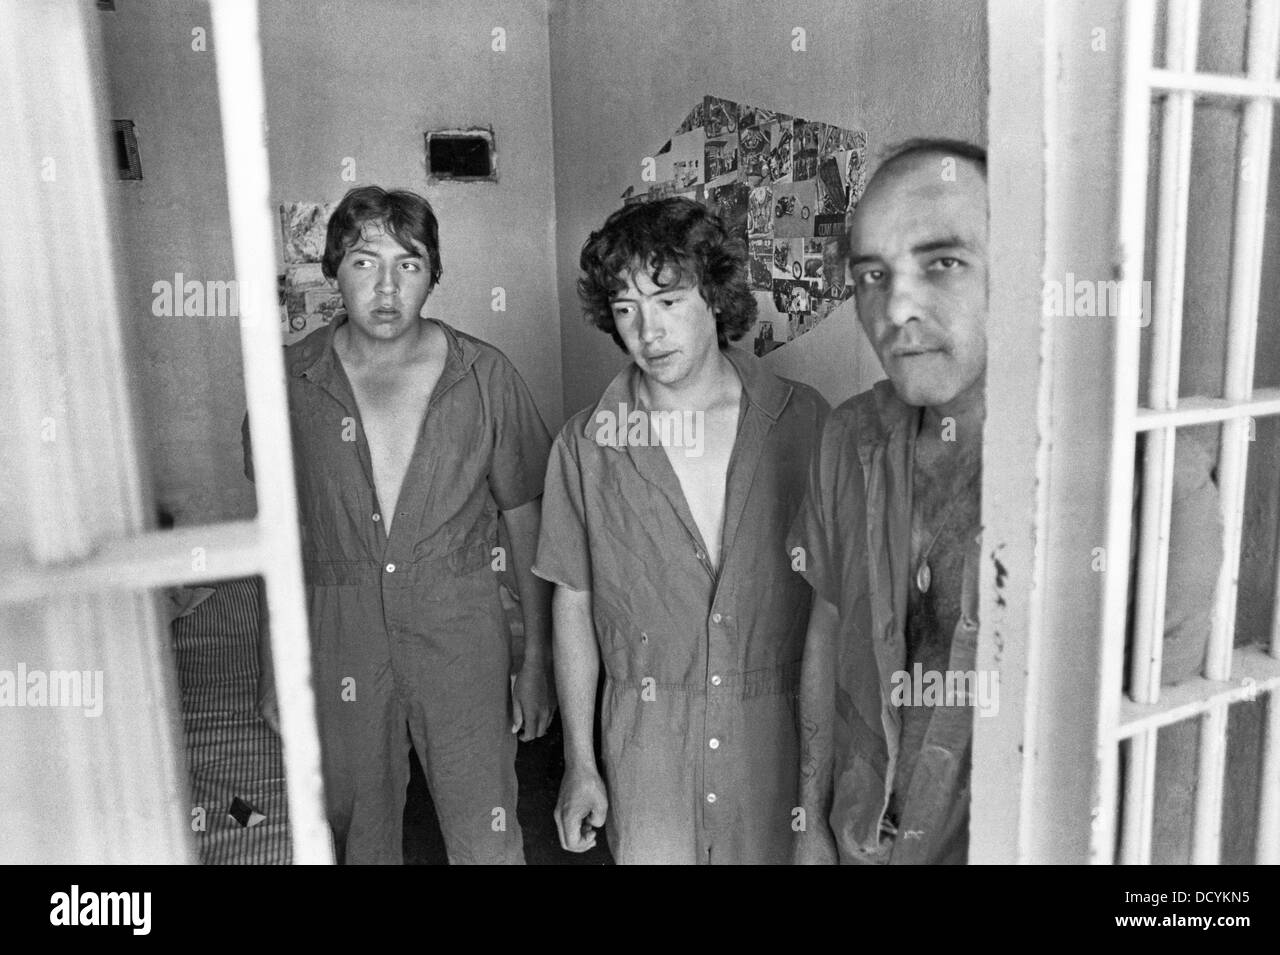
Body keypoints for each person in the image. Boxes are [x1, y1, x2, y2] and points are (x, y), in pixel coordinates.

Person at [791, 139, 1220, 864]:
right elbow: (828, 626)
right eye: (872, 273)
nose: (896, 307)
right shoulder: (848, 436)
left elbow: (1165, 742)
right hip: (861, 835)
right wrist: (810, 817)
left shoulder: (1141, 472)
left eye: (942, 263)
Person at [243, 185, 555, 864]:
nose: (387, 286)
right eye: (364, 261)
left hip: (460, 626)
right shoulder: (289, 382)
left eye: (409, 264)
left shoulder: (484, 375)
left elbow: (525, 516)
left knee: (487, 828)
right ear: (333, 270)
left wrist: (537, 657)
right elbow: (280, 535)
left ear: (433, 275)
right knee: (356, 829)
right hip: (339, 629)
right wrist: (276, 664)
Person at [535, 197, 828, 863]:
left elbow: (838, 607)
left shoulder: (804, 423)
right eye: (625, 308)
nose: (648, 330)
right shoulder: (587, 444)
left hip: (779, 739)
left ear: (716, 297)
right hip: (647, 745)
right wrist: (579, 762)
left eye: (668, 300)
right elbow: (572, 604)